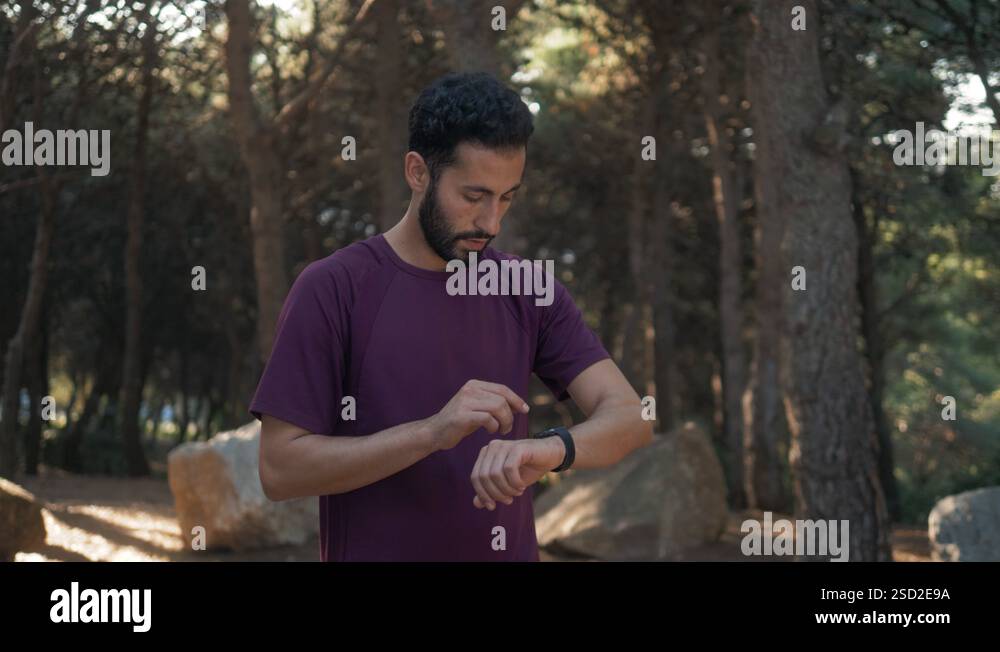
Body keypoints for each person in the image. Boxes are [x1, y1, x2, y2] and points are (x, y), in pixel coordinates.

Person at [250, 71, 653, 561]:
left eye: (507, 197)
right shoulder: (333, 288)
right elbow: (280, 470)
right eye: (474, 196)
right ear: (418, 172)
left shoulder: (526, 289)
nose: (492, 222)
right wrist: (430, 433)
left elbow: (631, 417)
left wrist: (547, 450)